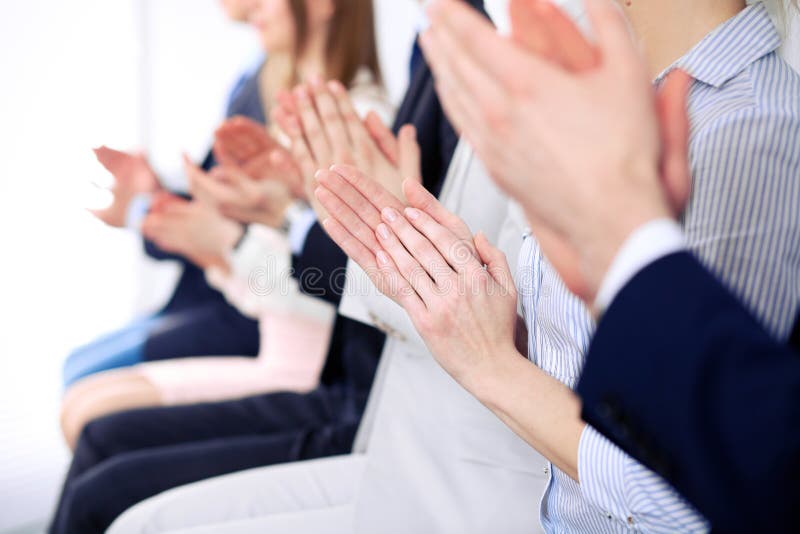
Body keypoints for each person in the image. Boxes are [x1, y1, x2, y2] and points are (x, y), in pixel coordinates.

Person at [316, 0, 798, 531]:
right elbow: (594, 361)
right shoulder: (634, 99)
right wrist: (461, 295)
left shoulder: (752, 128)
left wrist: (492, 362)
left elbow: (686, 486)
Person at [48, 0, 393, 532]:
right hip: (264, 321)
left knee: (93, 425)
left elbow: (333, 287)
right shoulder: (276, 91)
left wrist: (227, 242)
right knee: (83, 397)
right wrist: (231, 232)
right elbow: (290, 261)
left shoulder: (357, 116)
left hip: (298, 358)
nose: (245, 8)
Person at [62, 0, 265, 387]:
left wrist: (143, 209)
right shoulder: (256, 71)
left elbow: (233, 231)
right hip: (216, 294)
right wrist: (151, 195)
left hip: (239, 313)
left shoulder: (284, 90)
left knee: (81, 380)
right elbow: (221, 209)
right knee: (75, 369)